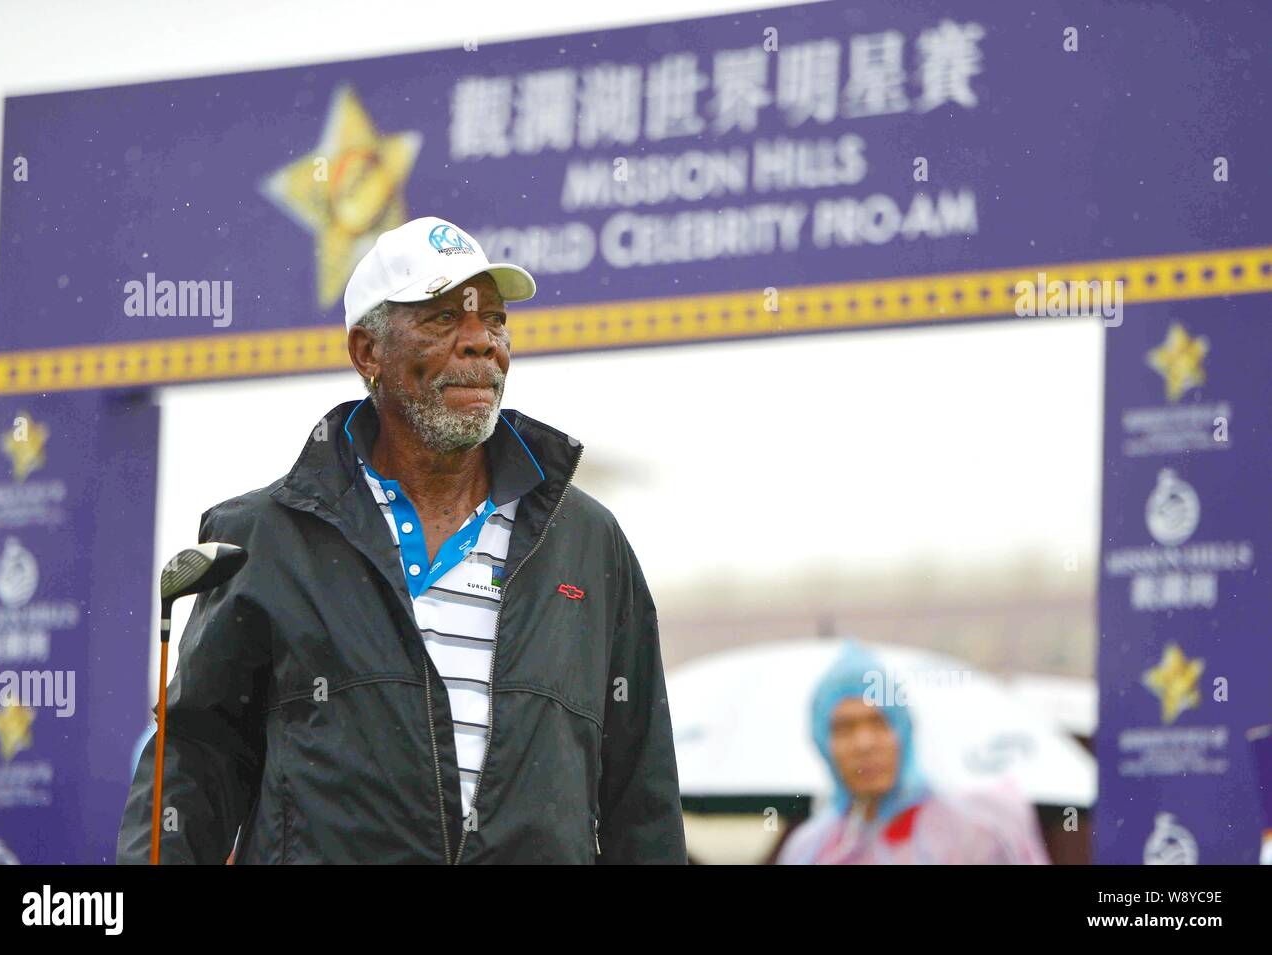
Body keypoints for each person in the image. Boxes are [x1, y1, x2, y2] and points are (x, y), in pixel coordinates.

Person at [117, 215, 686, 864]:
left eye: (494, 319)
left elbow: (642, 802)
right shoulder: (264, 539)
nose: (481, 342)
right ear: (368, 352)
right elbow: (196, 764)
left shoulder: (590, 543)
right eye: (444, 318)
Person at [776, 641, 1049, 865]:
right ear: (823, 743)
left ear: (903, 731)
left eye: (879, 722)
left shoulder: (972, 834)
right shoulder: (811, 849)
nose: (864, 744)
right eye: (844, 728)